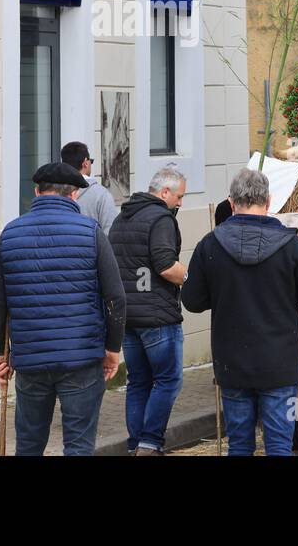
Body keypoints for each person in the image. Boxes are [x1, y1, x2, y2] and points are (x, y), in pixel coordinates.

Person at [181, 168, 298, 456]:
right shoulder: (292, 247)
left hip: (232, 368)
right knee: (279, 447)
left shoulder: (210, 245)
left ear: (232, 202)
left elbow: (192, 301)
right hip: (281, 370)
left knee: (239, 446)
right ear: (269, 201)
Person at [0, 162, 126, 456]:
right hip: (82, 360)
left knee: (29, 445)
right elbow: (115, 297)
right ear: (74, 195)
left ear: (36, 192)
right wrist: (113, 348)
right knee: (78, 446)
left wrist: (0, 352)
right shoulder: (91, 232)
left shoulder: (10, 234)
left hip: (31, 361)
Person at [108, 164, 187, 455]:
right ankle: (150, 442)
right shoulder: (161, 219)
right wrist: (192, 278)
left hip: (128, 317)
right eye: (179, 196)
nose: (180, 203)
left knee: (139, 382)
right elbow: (166, 265)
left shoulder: (122, 218)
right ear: (164, 192)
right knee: (168, 380)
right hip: (157, 317)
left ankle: (135, 444)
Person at [61, 141, 118, 232]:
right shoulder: (102, 195)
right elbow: (110, 232)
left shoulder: (55, 192)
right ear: (85, 163)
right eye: (91, 161)